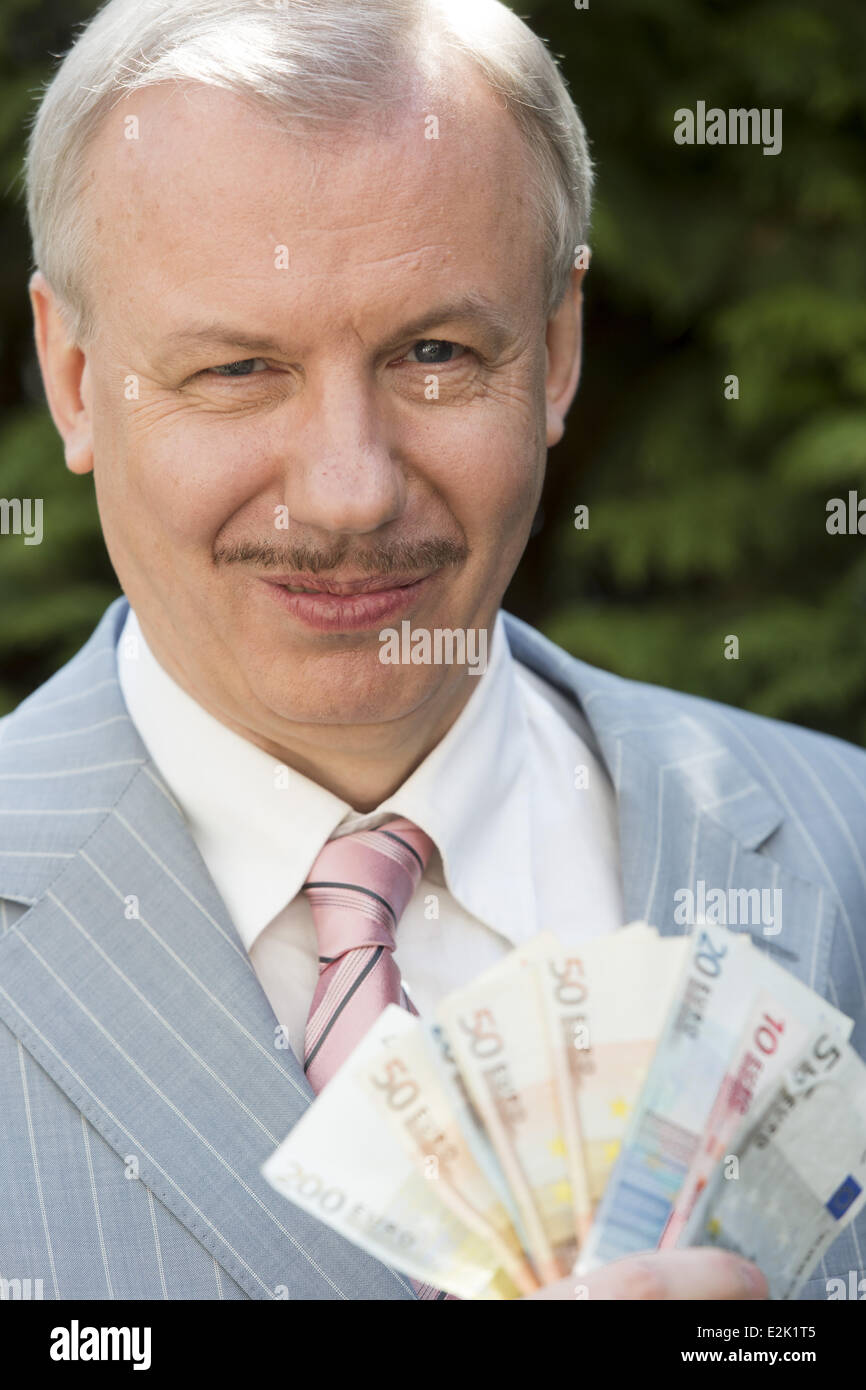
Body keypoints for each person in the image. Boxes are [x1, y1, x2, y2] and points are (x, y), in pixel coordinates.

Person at [1, 0, 862, 1303]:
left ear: (557, 351)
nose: (349, 492)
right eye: (237, 368)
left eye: (435, 354)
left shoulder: (844, 852)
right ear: (74, 376)